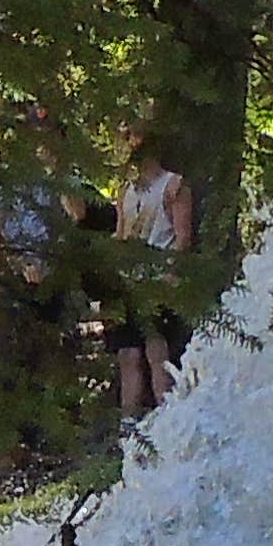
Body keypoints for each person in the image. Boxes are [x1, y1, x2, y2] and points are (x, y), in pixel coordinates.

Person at [112, 132, 195, 414]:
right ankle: (129, 421)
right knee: (127, 353)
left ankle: (167, 414)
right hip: (130, 281)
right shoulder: (126, 190)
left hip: (159, 281)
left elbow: (182, 238)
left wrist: (170, 274)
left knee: (156, 350)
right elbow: (121, 233)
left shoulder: (173, 186)